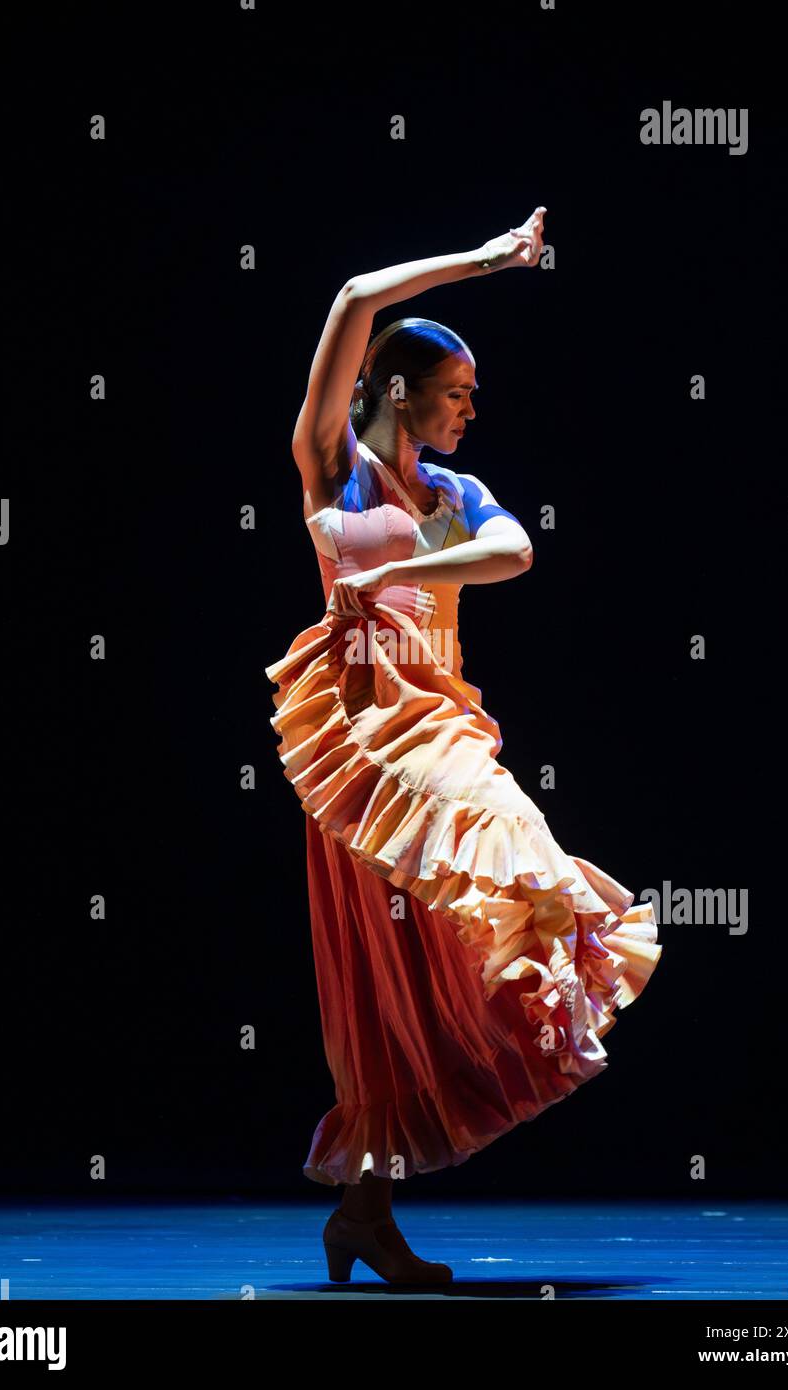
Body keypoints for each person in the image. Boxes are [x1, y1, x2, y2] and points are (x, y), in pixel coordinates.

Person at [264, 207, 663, 1285]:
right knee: (379, 979)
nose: (470, 410)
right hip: (353, 743)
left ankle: (361, 1210)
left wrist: (396, 577)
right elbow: (354, 298)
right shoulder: (332, 469)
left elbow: (514, 551)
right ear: (400, 392)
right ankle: (365, 1212)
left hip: (432, 725)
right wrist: (482, 262)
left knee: (471, 902)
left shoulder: (452, 500)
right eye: (456, 393)